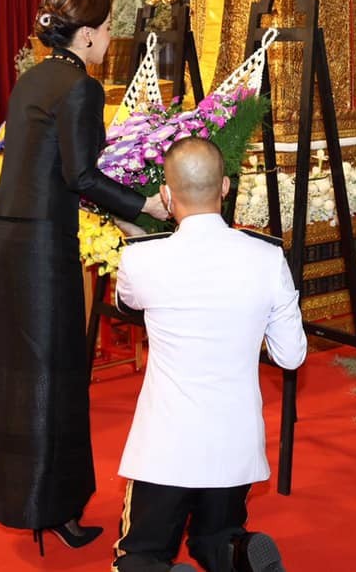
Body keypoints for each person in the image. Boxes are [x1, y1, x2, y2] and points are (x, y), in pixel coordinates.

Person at [0, 0, 168, 553]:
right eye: (108, 28)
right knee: (55, 376)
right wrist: (145, 207)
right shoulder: (80, 87)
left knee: (14, 374)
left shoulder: (33, 78)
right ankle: (54, 507)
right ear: (86, 35)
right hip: (39, 246)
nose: (111, 38)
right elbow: (81, 176)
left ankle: (26, 502)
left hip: (3, 238)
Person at [113, 137, 307, 572]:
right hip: (234, 446)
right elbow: (291, 357)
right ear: (225, 187)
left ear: (166, 194)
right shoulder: (267, 257)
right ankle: (239, 553)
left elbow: (127, 302)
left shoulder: (142, 260)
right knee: (216, 538)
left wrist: (139, 236)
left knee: (138, 555)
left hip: (164, 449)